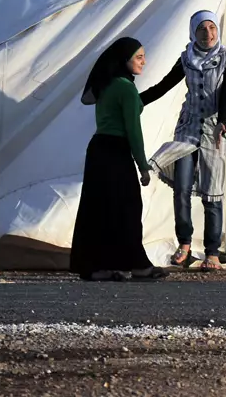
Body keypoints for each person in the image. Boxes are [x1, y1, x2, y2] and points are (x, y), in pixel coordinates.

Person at [140, 11, 226, 271]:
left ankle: (212, 253)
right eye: (202, 30)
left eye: (212, 28)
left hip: (214, 129)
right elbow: (164, 85)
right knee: (182, 188)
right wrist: (135, 99)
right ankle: (184, 242)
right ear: (193, 33)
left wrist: (223, 121)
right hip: (188, 127)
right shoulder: (187, 58)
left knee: (212, 192)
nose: (208, 34)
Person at [70, 37, 167, 281]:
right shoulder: (126, 87)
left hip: (98, 151)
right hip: (116, 150)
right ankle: (137, 265)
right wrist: (143, 166)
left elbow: (144, 99)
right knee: (128, 208)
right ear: (125, 60)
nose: (144, 61)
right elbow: (133, 129)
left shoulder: (108, 85)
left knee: (99, 209)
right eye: (139, 57)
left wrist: (176, 74)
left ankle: (97, 268)